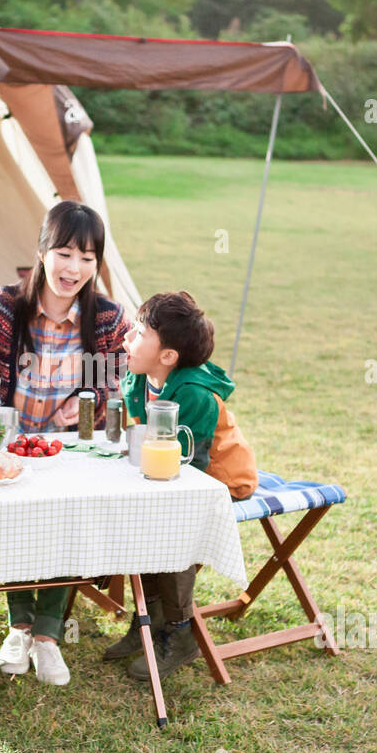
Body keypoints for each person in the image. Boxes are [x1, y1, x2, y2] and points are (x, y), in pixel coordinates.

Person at [0, 200, 129, 686]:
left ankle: (46, 635)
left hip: (71, 449)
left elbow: (118, 384)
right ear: (43, 251)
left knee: (64, 525)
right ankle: (18, 626)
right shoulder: (6, 307)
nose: (74, 268)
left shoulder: (107, 318)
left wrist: (88, 399)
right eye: (65, 253)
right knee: (16, 524)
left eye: (88, 258)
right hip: (13, 446)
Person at [103, 290, 257, 680]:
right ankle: (148, 623)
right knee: (141, 519)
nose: (127, 336)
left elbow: (195, 467)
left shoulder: (193, 395)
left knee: (172, 528)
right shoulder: (138, 379)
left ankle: (179, 630)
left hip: (220, 480)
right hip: (166, 474)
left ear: (168, 356)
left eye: (138, 333)